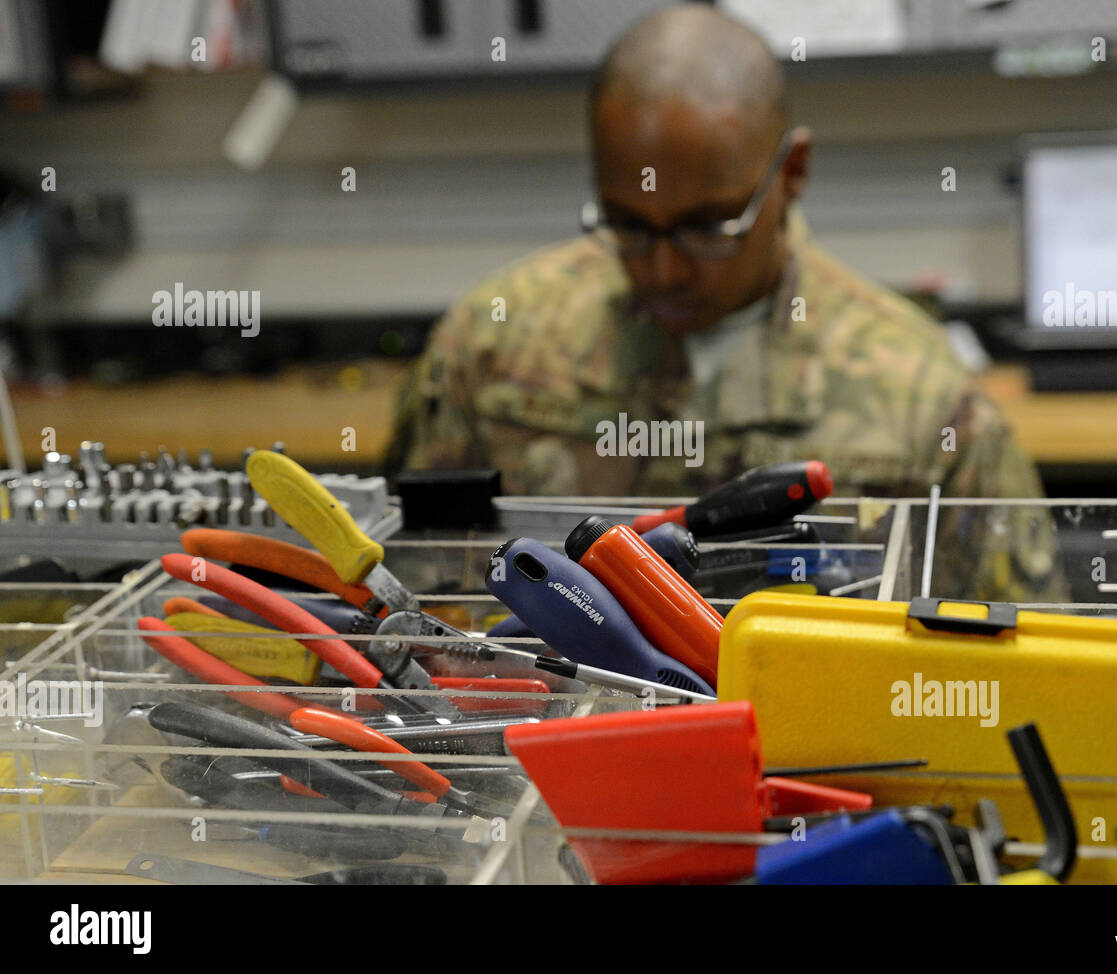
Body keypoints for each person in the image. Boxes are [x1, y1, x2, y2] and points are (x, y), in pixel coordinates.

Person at [386, 5, 1062, 602]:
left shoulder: (924, 401)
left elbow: (1028, 663)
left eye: (709, 227)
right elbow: (409, 598)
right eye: (629, 224)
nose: (665, 268)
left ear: (791, 173)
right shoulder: (488, 346)